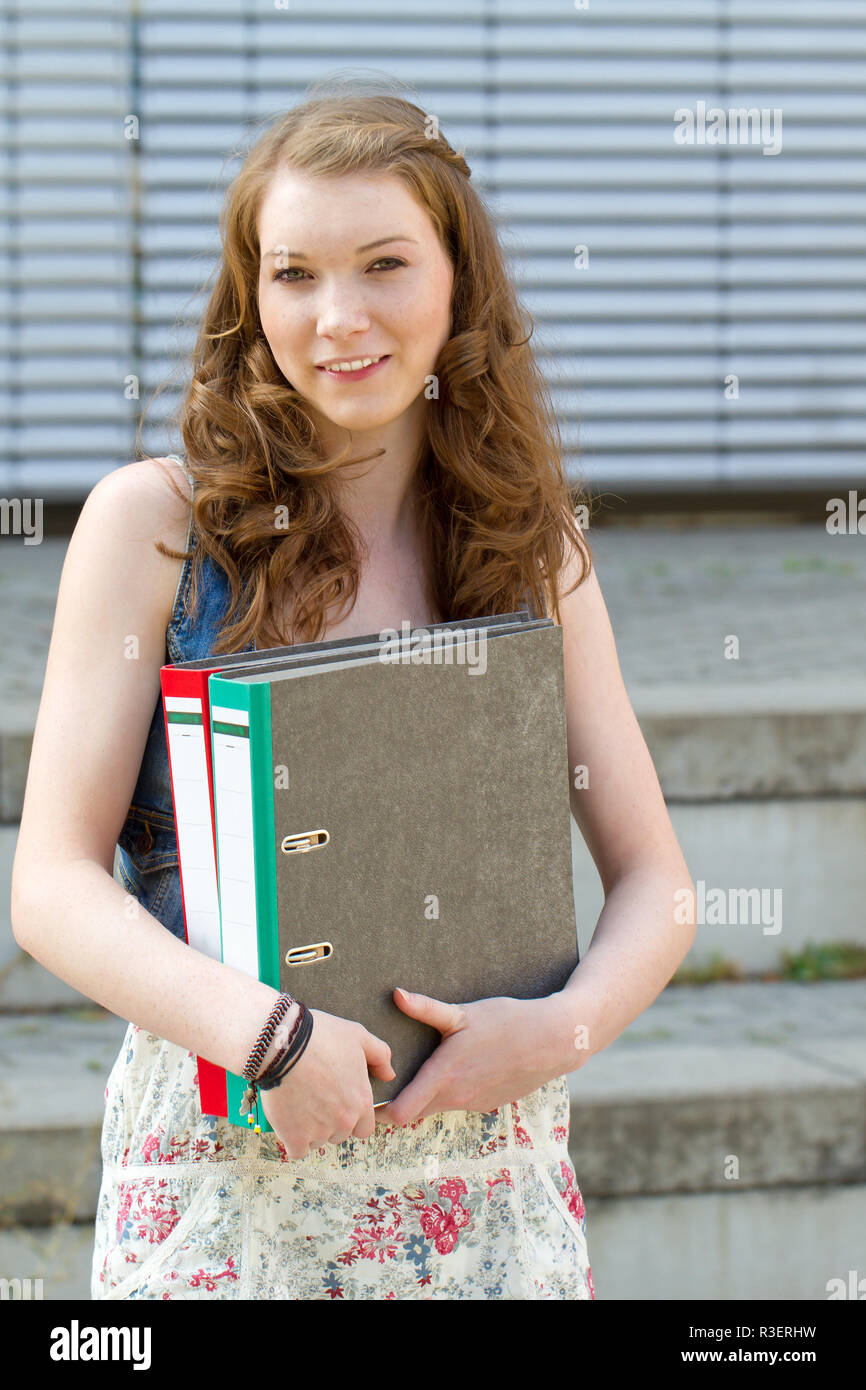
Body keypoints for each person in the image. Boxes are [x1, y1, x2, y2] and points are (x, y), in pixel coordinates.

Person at [10, 82, 696, 1300]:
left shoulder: (532, 543)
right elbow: (51, 887)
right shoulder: (154, 528)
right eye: (293, 275)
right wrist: (267, 1039)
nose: (337, 318)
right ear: (250, 294)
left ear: (456, 283)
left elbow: (657, 883)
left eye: (384, 263)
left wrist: (561, 1027)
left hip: (488, 1185)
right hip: (229, 1182)